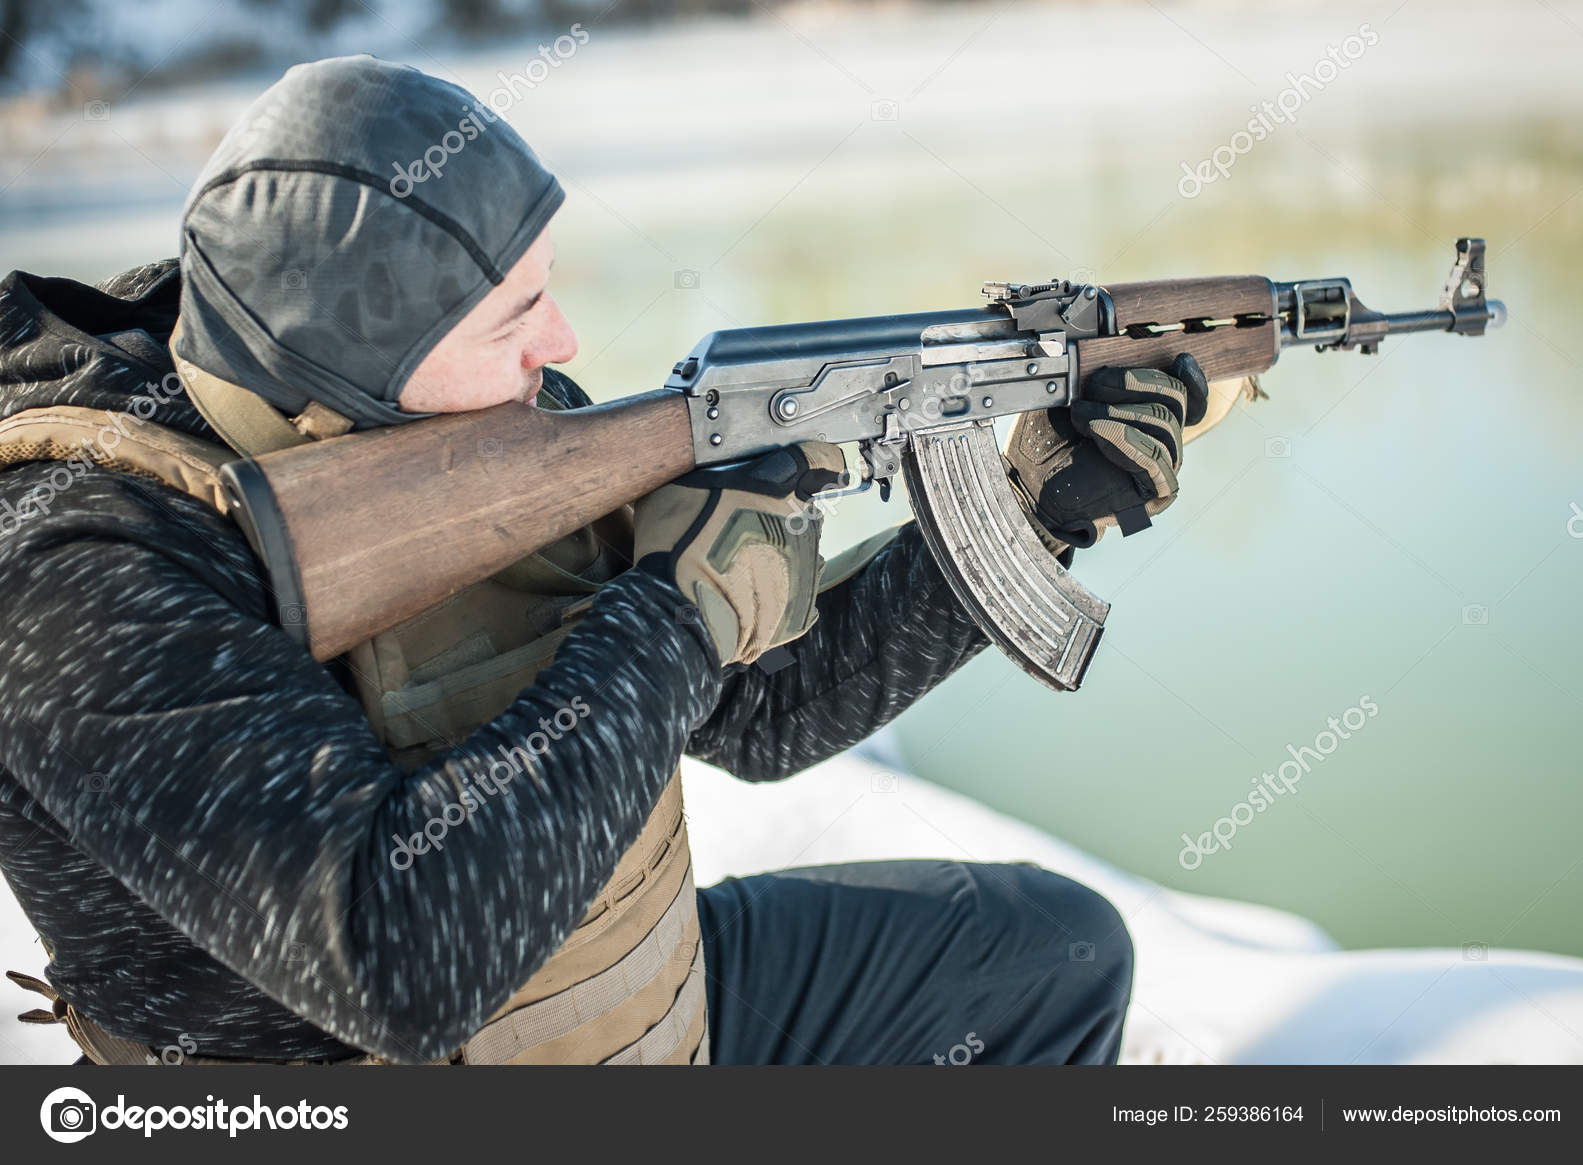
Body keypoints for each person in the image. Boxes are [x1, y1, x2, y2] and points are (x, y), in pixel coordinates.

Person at [0, 56, 1204, 1066]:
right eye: (512, 318)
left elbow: (761, 716)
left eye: (547, 292)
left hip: (618, 1014)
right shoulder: (72, 570)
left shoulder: (478, 422)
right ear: (351, 357)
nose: (563, 344)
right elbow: (403, 966)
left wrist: (1029, 507)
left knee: (1056, 954)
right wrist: (673, 615)